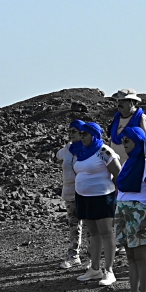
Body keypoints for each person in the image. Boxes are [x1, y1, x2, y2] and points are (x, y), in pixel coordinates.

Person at [111, 126, 146, 292]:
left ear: (138, 143)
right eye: (123, 141)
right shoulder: (128, 163)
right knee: (131, 257)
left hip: (138, 212)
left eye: (127, 141)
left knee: (140, 257)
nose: (124, 144)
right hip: (124, 212)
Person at [67, 120, 120, 286]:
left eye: (85, 134)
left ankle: (109, 270)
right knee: (93, 233)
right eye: (80, 133)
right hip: (84, 197)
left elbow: (118, 175)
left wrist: (118, 199)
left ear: (94, 135)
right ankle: (95, 268)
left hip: (103, 196)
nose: (81, 137)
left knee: (106, 232)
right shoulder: (82, 152)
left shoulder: (104, 151)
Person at [56, 111, 85, 270]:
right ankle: (74, 255)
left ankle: (92, 258)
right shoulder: (67, 149)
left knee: (89, 226)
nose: (71, 134)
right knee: (74, 224)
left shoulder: (88, 149)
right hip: (69, 193)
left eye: (74, 131)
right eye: (69, 131)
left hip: (85, 193)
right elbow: (57, 155)